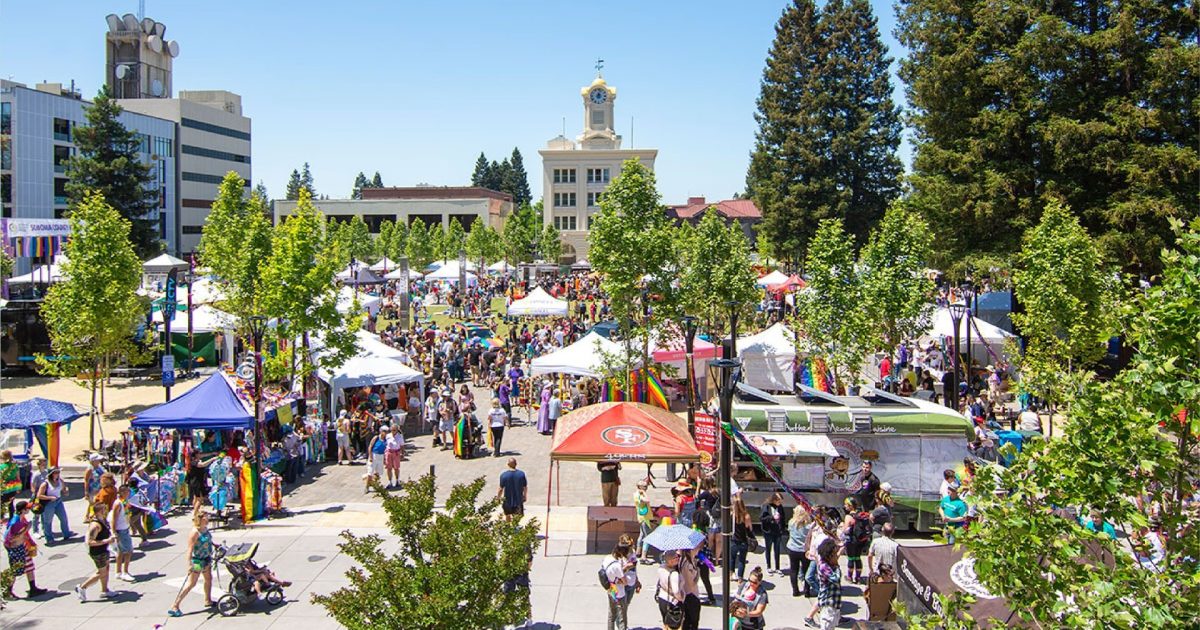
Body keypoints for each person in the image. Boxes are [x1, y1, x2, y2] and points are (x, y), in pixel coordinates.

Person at [167, 511, 215, 617]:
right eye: (206, 518)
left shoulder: (205, 529)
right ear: (200, 519)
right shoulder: (194, 532)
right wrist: (189, 564)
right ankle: (175, 605)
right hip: (197, 560)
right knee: (191, 583)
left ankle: (208, 600)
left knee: (208, 579)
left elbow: (208, 541)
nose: (207, 520)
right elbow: (190, 549)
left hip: (206, 558)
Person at [3, 501, 48, 599]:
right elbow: (12, 538)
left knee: (29, 566)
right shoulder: (16, 522)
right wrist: (26, 529)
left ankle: (33, 588)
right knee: (15, 571)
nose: (29, 510)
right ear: (23, 510)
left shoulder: (20, 518)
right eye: (27, 508)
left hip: (22, 546)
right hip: (16, 549)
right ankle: (8, 591)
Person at [75, 502, 116, 602]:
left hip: (104, 549)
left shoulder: (102, 520)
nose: (106, 511)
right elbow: (90, 542)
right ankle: (82, 587)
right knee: (101, 573)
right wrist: (107, 541)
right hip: (98, 552)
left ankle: (104, 590)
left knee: (106, 569)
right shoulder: (95, 525)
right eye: (104, 509)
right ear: (101, 511)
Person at [35, 467, 72, 543]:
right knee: (47, 521)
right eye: (56, 473)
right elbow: (39, 495)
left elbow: (64, 490)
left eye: (58, 472)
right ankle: (49, 538)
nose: (57, 474)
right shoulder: (45, 484)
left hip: (58, 501)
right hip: (49, 503)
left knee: (63, 518)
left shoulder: (60, 481)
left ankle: (66, 534)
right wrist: (50, 497)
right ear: (51, 474)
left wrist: (66, 492)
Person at [602, 539, 633, 630]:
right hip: (619, 593)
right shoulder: (617, 566)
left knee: (611, 615)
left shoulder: (607, 558)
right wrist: (626, 569)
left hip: (611, 589)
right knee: (622, 617)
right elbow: (625, 582)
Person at [842, 497, 872, 584]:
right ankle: (858, 578)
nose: (845, 506)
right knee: (858, 558)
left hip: (851, 541)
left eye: (846, 505)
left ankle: (850, 577)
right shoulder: (860, 515)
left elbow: (845, 529)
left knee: (851, 558)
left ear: (850, 506)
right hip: (860, 540)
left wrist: (841, 528)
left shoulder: (848, 516)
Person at [815, 538, 843, 630]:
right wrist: (836, 565)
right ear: (829, 555)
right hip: (828, 604)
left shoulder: (830, 565)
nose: (836, 556)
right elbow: (836, 578)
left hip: (834, 604)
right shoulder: (824, 566)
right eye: (834, 554)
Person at [786, 507, 813, 597]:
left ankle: (795, 590)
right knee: (806, 571)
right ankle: (807, 591)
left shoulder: (791, 523)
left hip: (793, 549)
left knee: (793, 570)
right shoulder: (809, 526)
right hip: (804, 550)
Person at [111, 485, 135, 582]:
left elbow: (127, 516)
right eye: (125, 492)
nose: (127, 493)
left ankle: (118, 572)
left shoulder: (125, 502)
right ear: (120, 492)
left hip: (125, 528)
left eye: (128, 491)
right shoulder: (118, 503)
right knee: (128, 551)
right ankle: (125, 572)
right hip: (120, 530)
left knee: (120, 552)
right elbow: (114, 519)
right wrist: (114, 532)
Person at [656, 549, 684, 630]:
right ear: (670, 560)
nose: (678, 558)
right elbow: (676, 591)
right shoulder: (674, 574)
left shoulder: (661, 568)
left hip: (662, 598)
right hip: (673, 601)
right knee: (675, 625)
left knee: (666, 622)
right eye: (675, 557)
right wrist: (681, 598)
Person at [760, 493, 785, 576]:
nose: (780, 503)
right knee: (768, 548)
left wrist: (782, 528)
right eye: (778, 501)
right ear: (774, 500)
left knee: (777, 549)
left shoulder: (780, 507)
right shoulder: (766, 506)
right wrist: (772, 517)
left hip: (777, 531)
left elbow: (783, 517)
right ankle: (769, 566)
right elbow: (762, 518)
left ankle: (777, 567)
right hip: (768, 531)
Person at [730, 498, 753, 580]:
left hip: (733, 540)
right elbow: (750, 529)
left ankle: (732, 574)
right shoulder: (746, 516)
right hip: (743, 540)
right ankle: (740, 578)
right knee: (742, 560)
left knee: (732, 558)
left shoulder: (732, 515)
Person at [633, 479, 653, 563]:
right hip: (645, 518)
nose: (646, 487)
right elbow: (647, 500)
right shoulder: (640, 495)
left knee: (641, 535)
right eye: (644, 486)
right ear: (639, 487)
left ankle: (638, 552)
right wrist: (644, 493)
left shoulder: (636, 494)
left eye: (646, 486)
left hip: (642, 517)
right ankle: (644, 556)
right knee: (647, 537)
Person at [366, 425, 388, 492]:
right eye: (384, 431)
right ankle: (367, 487)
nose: (385, 433)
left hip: (381, 456)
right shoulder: (376, 438)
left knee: (378, 473)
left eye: (386, 431)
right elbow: (370, 446)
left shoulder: (386, 440)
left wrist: (384, 459)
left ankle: (376, 485)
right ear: (381, 431)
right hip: (374, 455)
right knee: (370, 472)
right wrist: (370, 456)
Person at [0, 450, 21, 520]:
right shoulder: (15, 466)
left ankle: (1, 517)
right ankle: (12, 517)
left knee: (2, 503)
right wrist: (19, 487)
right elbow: (18, 477)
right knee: (11, 503)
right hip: (13, 487)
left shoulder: (1, 467)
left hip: (4, 487)